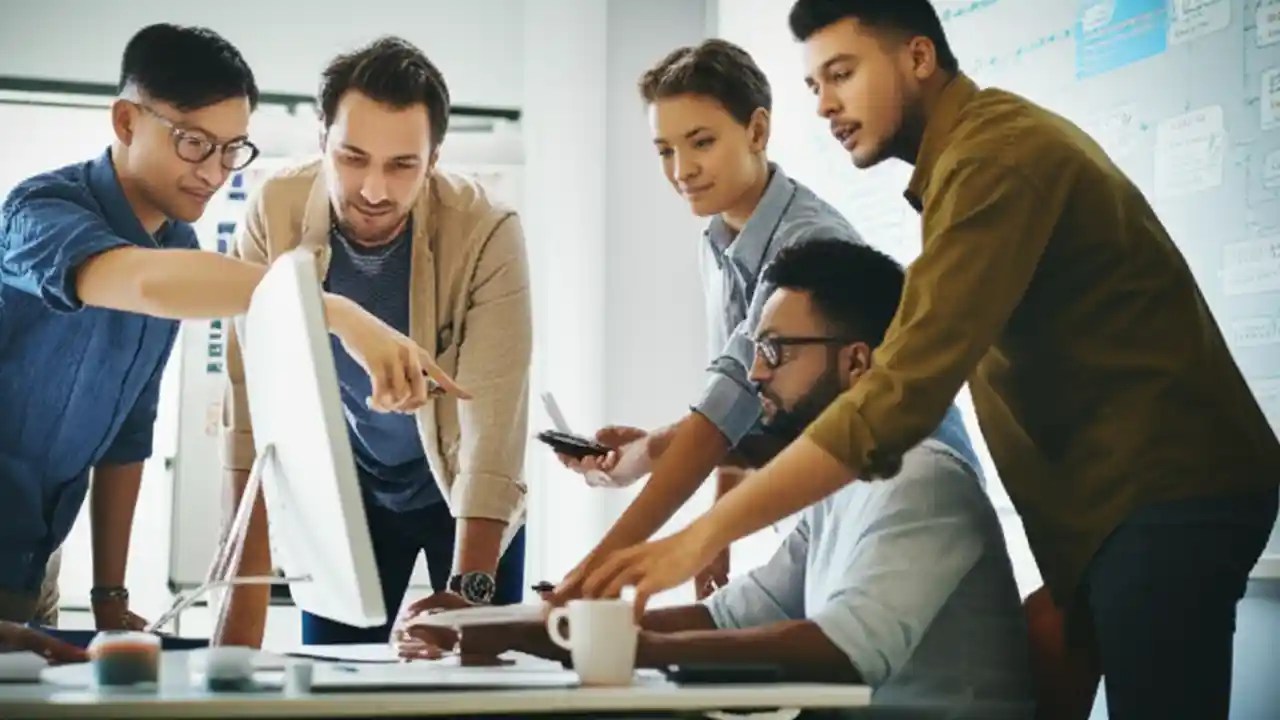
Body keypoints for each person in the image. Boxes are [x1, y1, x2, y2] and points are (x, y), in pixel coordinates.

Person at [580, 2, 1280, 719]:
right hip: (1118, 505)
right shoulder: (965, 164)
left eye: (842, 74)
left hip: (1165, 489)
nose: (823, 104)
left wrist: (699, 537)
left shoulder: (993, 163)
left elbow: (898, 395)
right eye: (815, 84)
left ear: (918, 58)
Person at [403, 240, 1034, 720]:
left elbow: (843, 649)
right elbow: (729, 616)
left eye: (777, 352)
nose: (757, 375)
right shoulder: (836, 484)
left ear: (857, 364)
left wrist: (634, 649)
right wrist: (499, 627)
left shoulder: (924, 477)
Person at [0, 24, 461, 633]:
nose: (215, 173)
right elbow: (142, 282)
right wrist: (335, 311)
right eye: (194, 144)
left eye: (231, 148)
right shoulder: (38, 213)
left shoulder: (181, 244)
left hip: (34, 559)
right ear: (125, 121)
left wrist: (110, 596)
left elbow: (127, 434)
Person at [219, 36, 532, 647]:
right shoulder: (274, 210)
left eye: (401, 166)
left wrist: (467, 596)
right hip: (347, 492)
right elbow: (247, 407)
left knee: (477, 681)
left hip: (462, 492)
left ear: (434, 157)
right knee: (335, 685)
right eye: (352, 158)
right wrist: (240, 605)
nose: (373, 190)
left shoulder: (489, 230)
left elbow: (494, 423)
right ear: (321, 140)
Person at [553, 38, 863, 600]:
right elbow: (741, 403)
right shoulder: (718, 242)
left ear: (757, 132)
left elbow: (718, 422)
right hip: (816, 508)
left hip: (875, 492)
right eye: (664, 150)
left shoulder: (808, 244)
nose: (681, 170)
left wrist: (593, 574)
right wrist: (714, 526)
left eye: (700, 143)